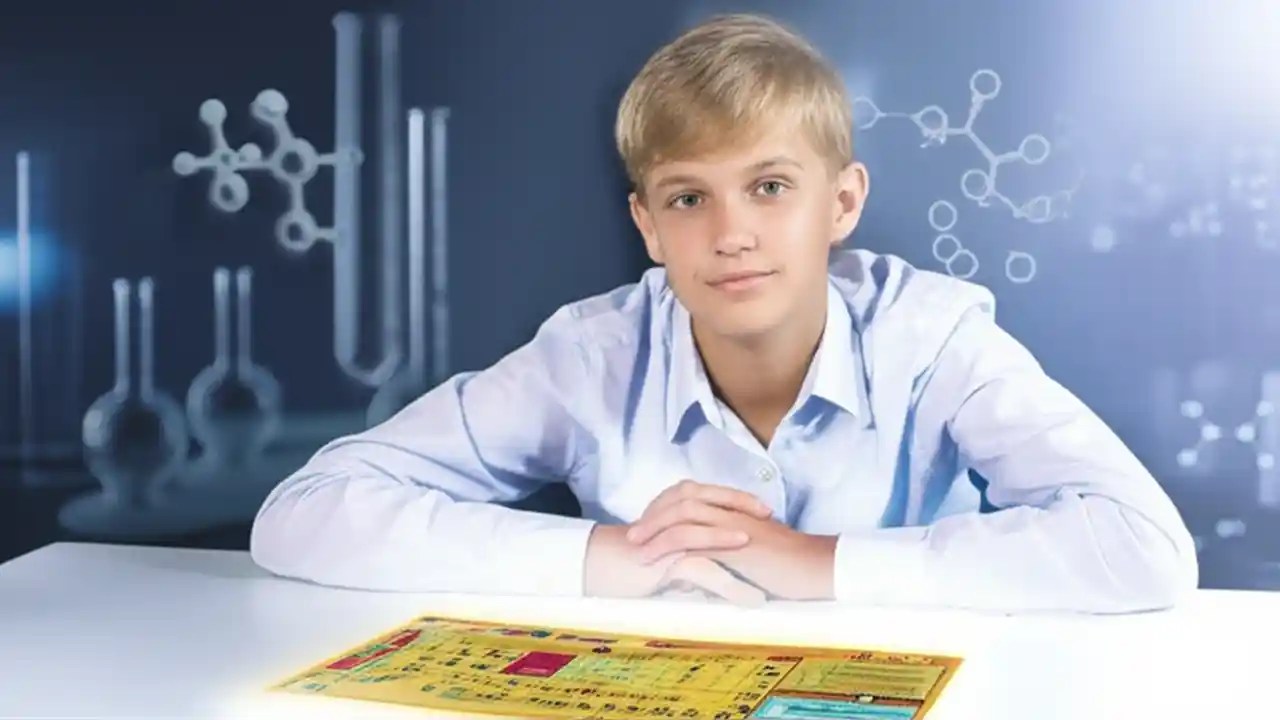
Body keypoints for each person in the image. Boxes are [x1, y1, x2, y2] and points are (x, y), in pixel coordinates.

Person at [250, 13, 1198, 613]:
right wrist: (612, 555)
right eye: (689, 199)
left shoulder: (934, 335)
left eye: (771, 186)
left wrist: (810, 562)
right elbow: (302, 516)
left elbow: (1142, 547)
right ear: (648, 226)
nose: (731, 234)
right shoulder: (591, 355)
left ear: (843, 202)